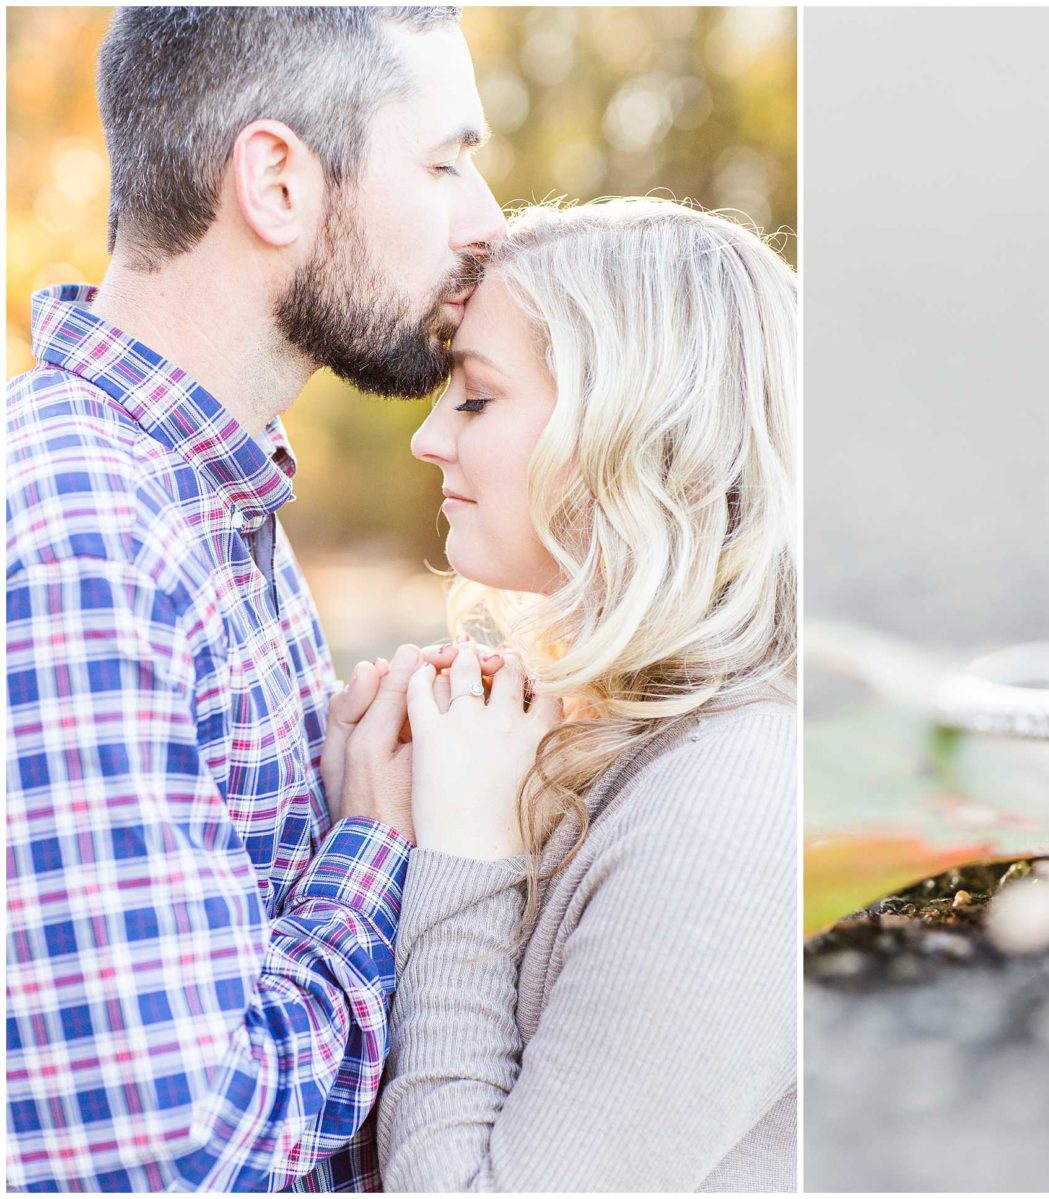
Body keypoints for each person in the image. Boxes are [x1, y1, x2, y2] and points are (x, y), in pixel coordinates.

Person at [5, 7, 503, 1190]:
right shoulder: (87, 539)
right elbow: (181, 1154)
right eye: (442, 164)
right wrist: (373, 846)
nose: (484, 222)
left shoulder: (203, 496)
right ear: (277, 180)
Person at [332, 198, 798, 1190]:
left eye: (476, 398)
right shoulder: (585, 730)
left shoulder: (730, 806)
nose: (427, 439)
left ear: (630, 426)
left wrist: (465, 857)